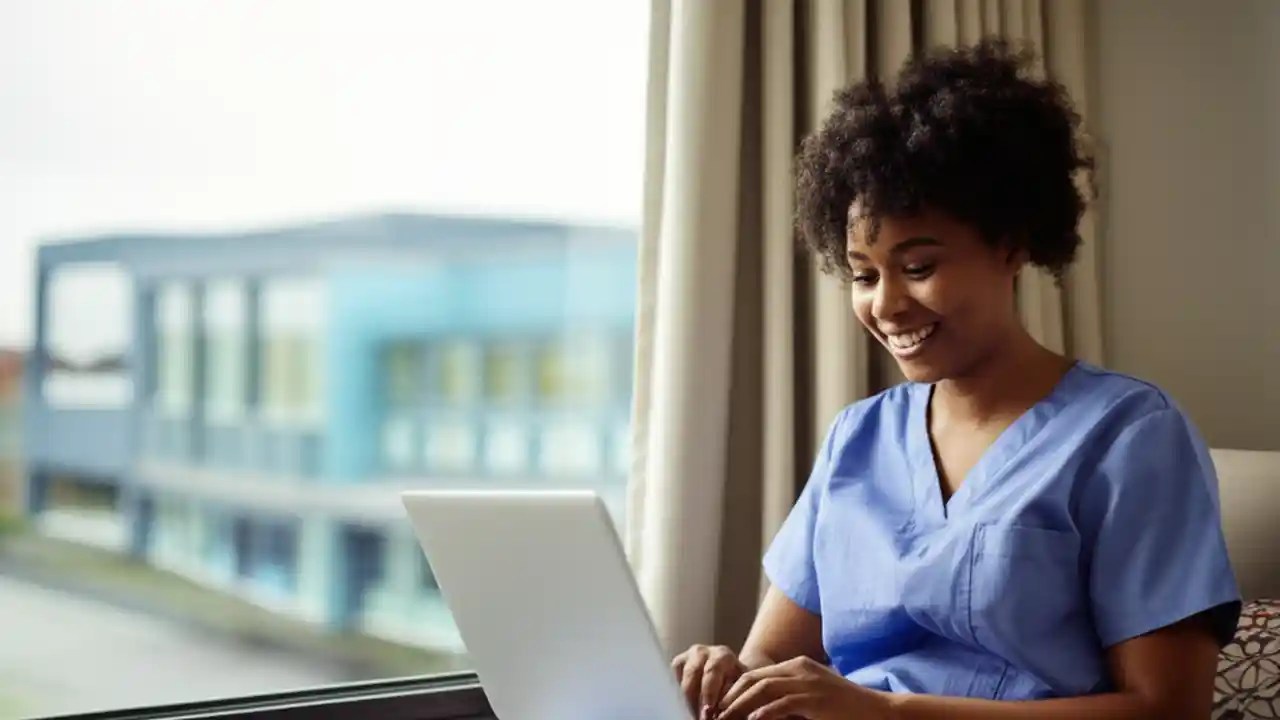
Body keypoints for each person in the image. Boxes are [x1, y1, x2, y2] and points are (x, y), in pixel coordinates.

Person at [672, 39, 1240, 720]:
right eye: (863, 274)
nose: (885, 304)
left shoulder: (1129, 435)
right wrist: (723, 675)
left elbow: (1168, 711)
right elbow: (769, 660)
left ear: (1011, 245)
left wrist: (887, 714)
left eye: (917, 268)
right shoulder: (861, 435)